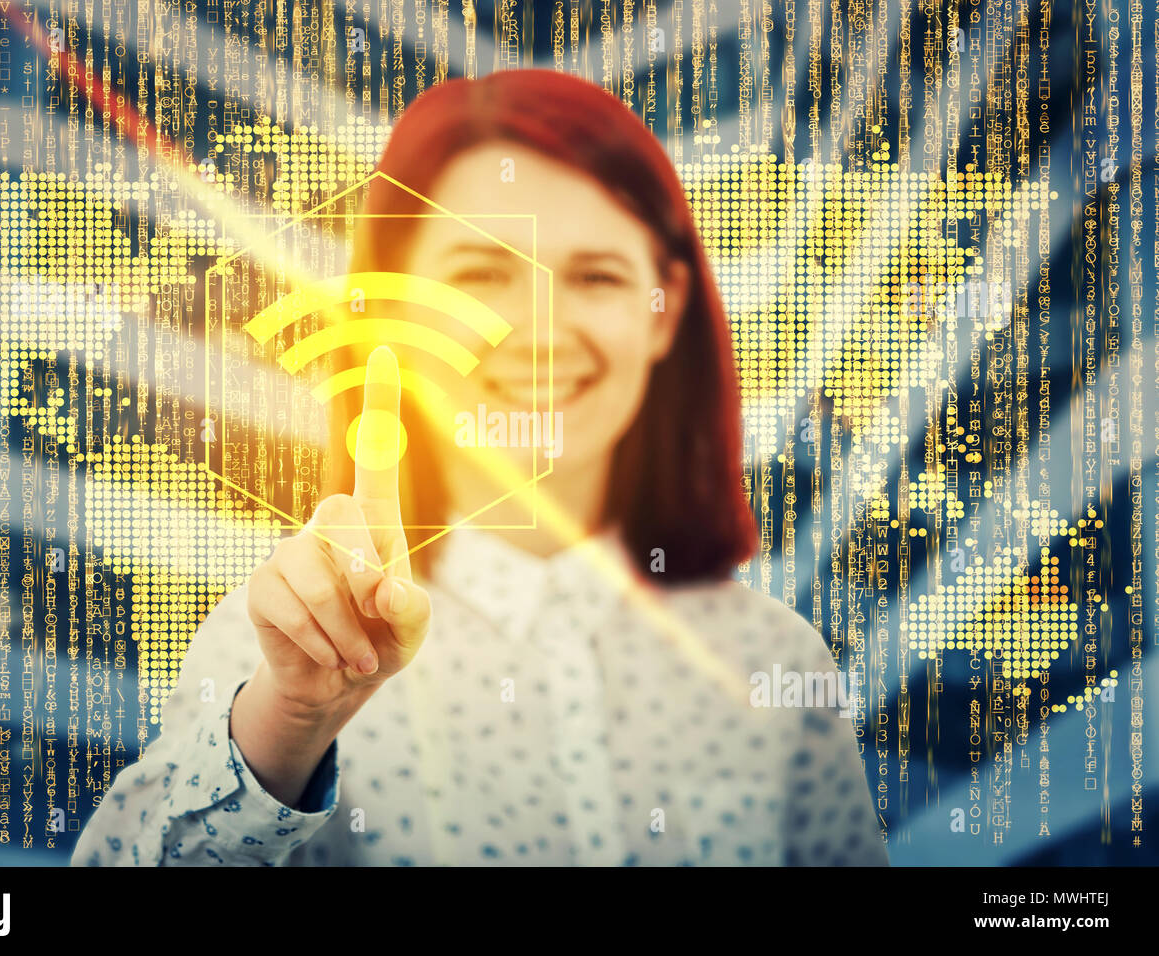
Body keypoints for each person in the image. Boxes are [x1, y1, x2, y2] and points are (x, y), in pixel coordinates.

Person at [72, 69, 889, 866]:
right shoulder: (282, 649)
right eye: (482, 275)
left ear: (663, 308)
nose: (539, 334)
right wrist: (288, 725)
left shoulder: (774, 661)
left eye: (597, 277)